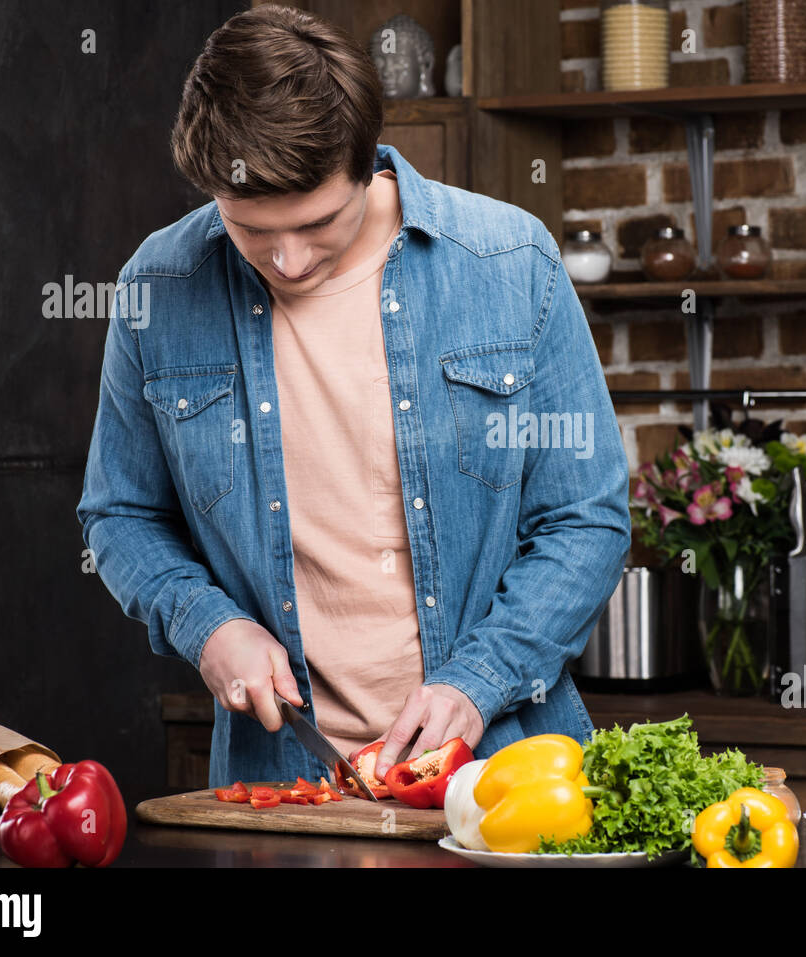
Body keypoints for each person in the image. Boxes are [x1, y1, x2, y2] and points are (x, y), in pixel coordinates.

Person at [75, 5, 629, 788]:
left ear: (367, 163)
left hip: (507, 773)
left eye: (316, 223)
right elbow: (120, 516)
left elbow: (587, 519)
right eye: (252, 230)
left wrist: (479, 681)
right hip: (286, 784)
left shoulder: (510, 262)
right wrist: (210, 628)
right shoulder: (158, 288)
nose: (290, 260)